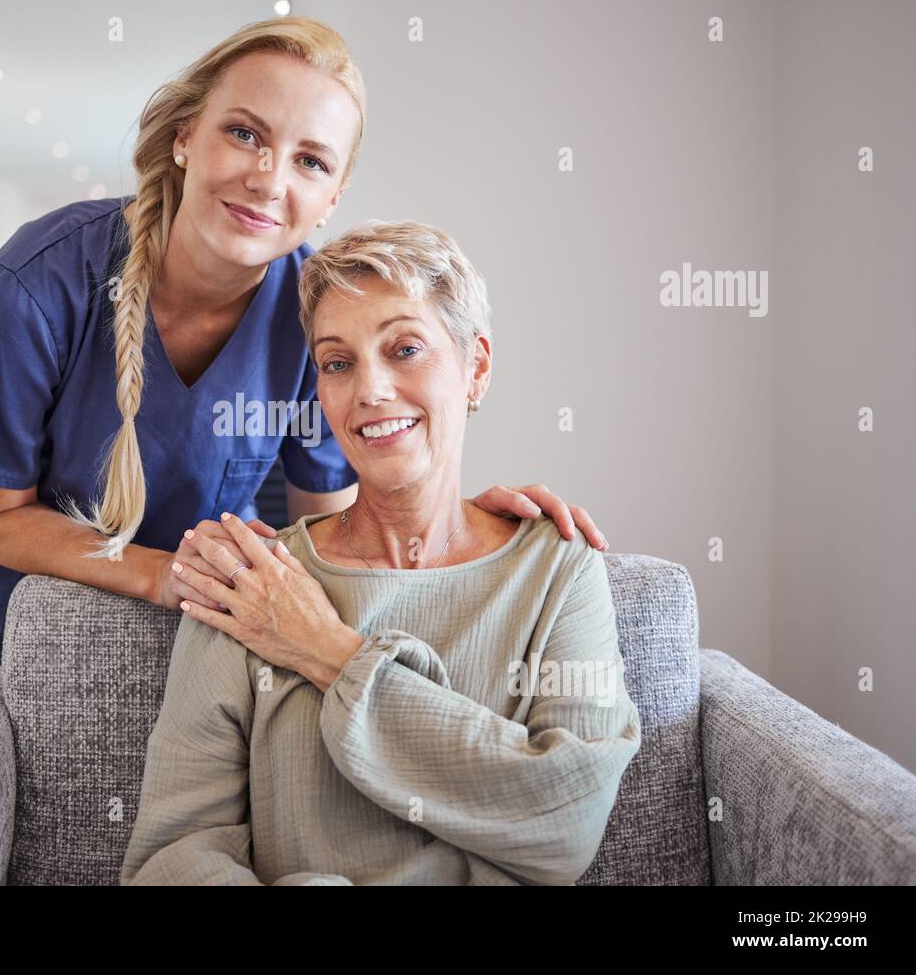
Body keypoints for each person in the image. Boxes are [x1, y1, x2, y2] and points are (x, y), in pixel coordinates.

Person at [0, 17, 607, 668]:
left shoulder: (317, 314)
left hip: (206, 618)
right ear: (185, 137)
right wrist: (166, 575)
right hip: (33, 617)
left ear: (333, 196)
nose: (269, 179)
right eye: (245, 133)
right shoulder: (37, 282)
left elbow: (336, 525)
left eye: (310, 161)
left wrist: (469, 528)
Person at [121, 220, 641, 885]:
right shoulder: (250, 582)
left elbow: (567, 822)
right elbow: (171, 858)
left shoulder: (557, 571)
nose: (370, 389)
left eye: (404, 348)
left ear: (476, 367)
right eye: (338, 362)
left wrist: (327, 651)